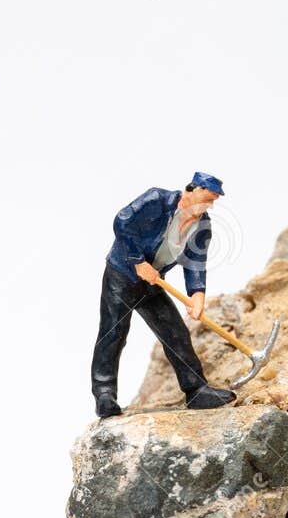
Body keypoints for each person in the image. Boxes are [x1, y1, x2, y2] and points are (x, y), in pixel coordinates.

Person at [90, 171, 236, 418]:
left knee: (175, 332)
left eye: (212, 201)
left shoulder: (203, 226)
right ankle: (105, 396)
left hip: (154, 282)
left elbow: (195, 262)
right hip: (121, 275)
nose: (207, 205)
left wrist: (197, 294)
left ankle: (196, 390)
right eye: (205, 198)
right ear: (191, 190)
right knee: (113, 333)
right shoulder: (157, 199)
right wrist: (137, 261)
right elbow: (122, 221)